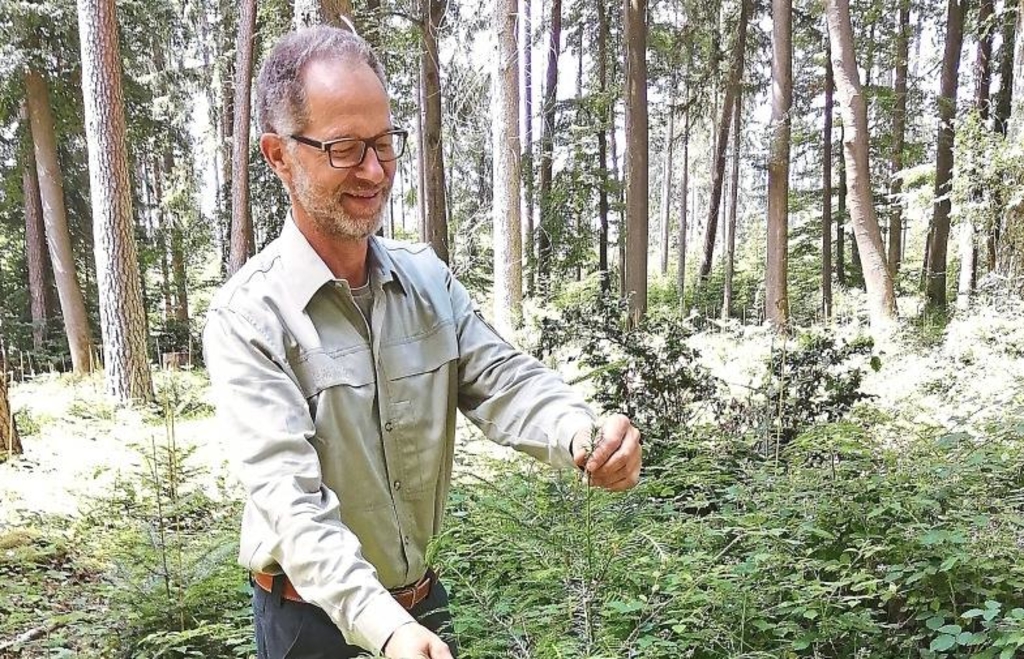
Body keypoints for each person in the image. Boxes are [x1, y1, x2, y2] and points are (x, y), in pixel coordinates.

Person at [203, 24, 642, 659]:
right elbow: (291, 505)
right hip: (311, 623)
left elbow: (504, 381)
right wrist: (386, 630)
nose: (375, 171)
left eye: (384, 143)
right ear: (279, 155)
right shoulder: (251, 318)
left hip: (421, 604)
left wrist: (582, 435)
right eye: (346, 149)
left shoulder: (427, 281)